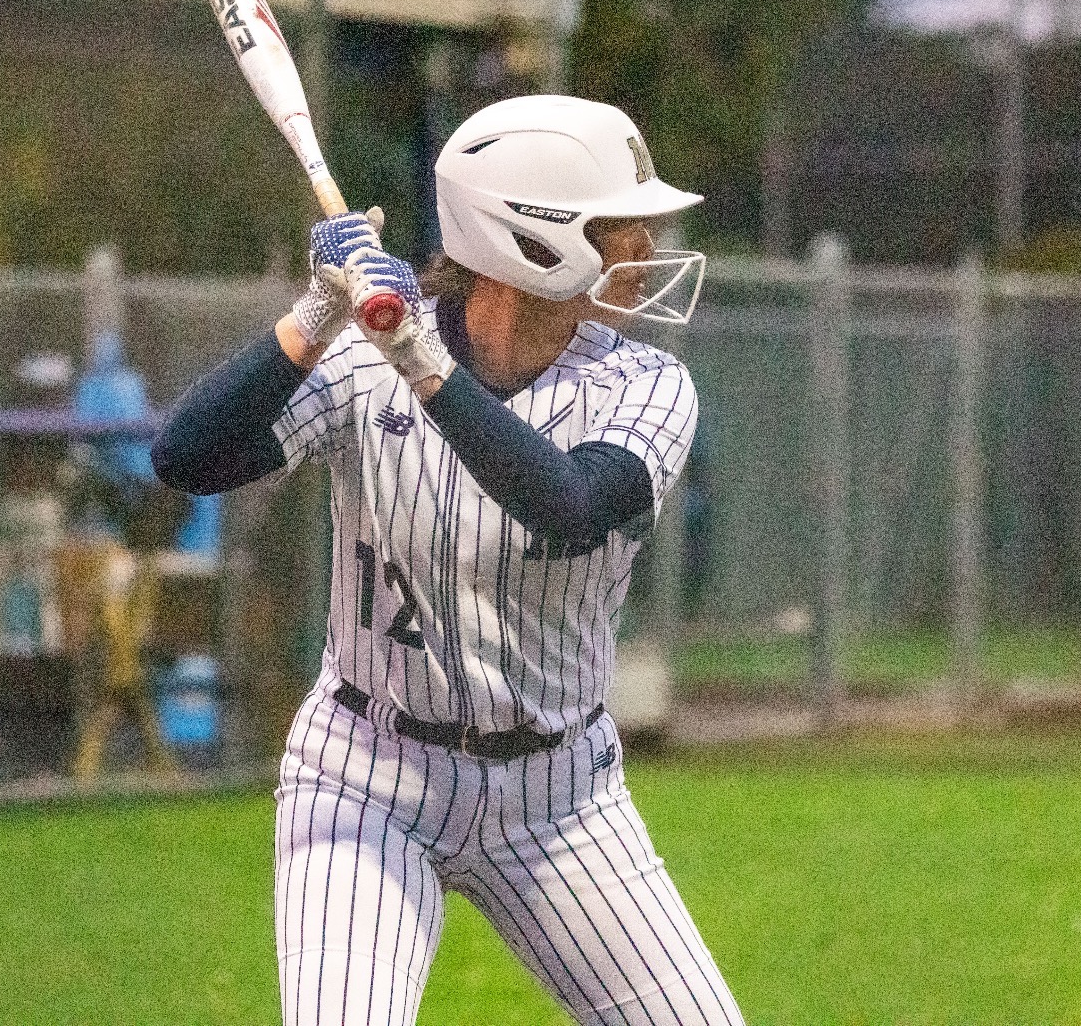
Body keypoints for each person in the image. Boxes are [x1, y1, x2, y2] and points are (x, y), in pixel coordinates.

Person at [153, 95, 738, 1026]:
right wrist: (315, 316)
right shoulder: (365, 349)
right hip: (366, 778)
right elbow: (186, 457)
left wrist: (424, 361)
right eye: (624, 224)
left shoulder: (648, 384)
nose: (648, 241)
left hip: (559, 797)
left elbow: (571, 505)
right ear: (533, 241)